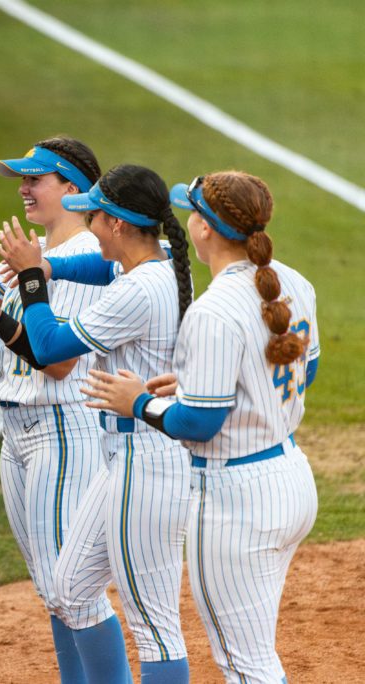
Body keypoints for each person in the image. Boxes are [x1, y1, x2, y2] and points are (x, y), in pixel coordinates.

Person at [80, 171, 319, 683]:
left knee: (243, 662)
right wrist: (199, 382)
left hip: (237, 500)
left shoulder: (212, 311)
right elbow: (300, 369)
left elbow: (199, 424)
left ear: (205, 229)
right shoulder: (294, 282)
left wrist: (138, 401)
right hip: (291, 480)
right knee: (256, 652)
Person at [0, 137, 126, 682]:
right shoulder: (28, 258)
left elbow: (60, 362)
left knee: (75, 588)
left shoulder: (87, 261)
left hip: (63, 430)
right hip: (17, 434)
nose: (23, 188)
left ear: (72, 189)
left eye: (35, 179)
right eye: (21, 178)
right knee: (53, 587)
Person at [0, 164, 195, 682]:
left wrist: (32, 277)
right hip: (124, 458)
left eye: (95, 218)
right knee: (69, 589)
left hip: (150, 463)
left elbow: (48, 345)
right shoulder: (161, 265)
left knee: (154, 626)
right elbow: (102, 270)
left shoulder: (139, 290)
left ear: (120, 225)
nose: (87, 227)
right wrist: (52, 268)